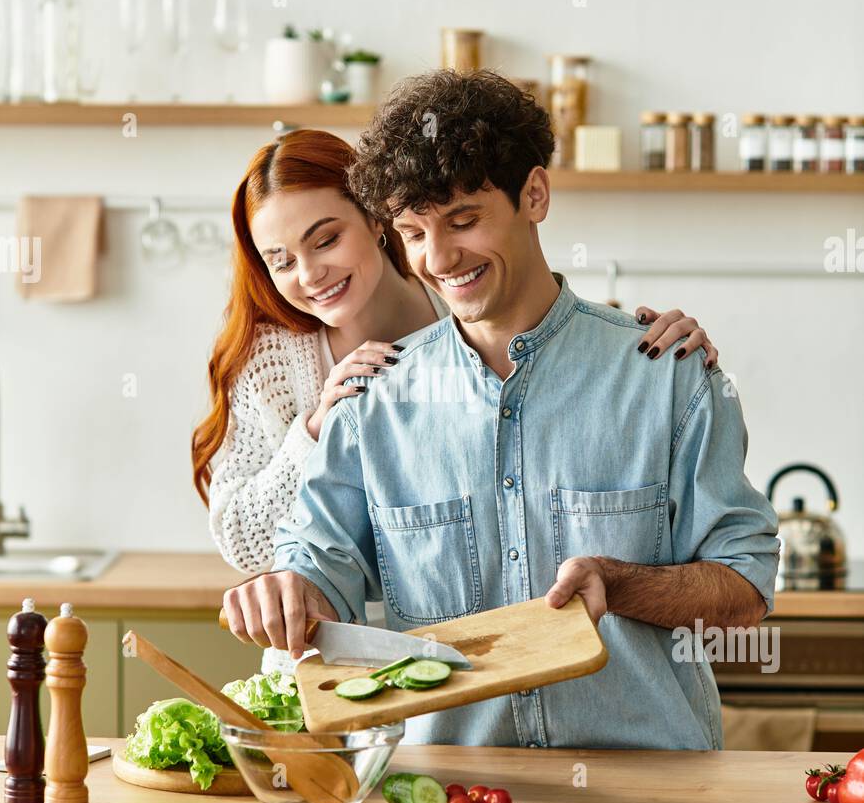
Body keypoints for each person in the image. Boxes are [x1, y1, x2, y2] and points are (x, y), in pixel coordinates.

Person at [221, 72, 779, 751]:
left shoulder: (667, 376)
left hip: (648, 799)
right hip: (447, 800)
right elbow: (317, 575)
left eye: (463, 221)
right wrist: (284, 593)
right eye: (414, 232)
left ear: (534, 195)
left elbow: (744, 585)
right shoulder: (371, 403)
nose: (440, 257)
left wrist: (619, 584)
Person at [194, 128, 716, 577]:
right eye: (281, 262)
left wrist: (645, 345)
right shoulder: (271, 364)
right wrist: (313, 432)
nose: (309, 275)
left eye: (326, 240)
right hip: (329, 658)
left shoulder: (470, 307)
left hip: (464, 655)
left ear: (378, 219)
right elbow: (243, 543)